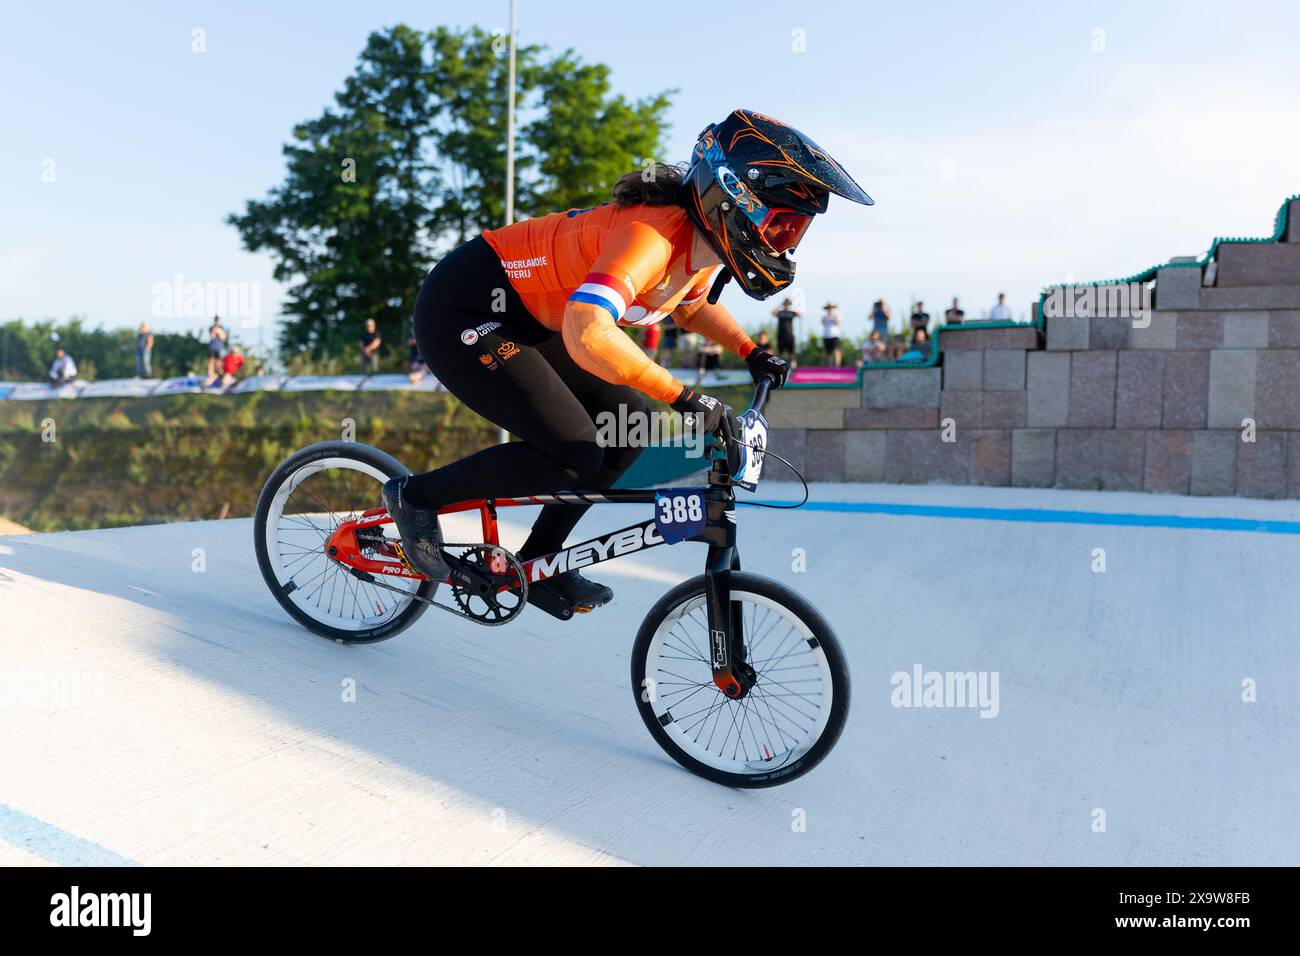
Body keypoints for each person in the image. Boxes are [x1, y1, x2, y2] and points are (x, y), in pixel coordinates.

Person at [382, 108, 872, 612]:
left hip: (535, 318)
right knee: (575, 453)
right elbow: (588, 329)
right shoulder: (650, 237)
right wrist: (683, 397)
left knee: (627, 425)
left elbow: (691, 304)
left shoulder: (700, 243)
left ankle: (542, 562)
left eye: (797, 231)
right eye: (779, 224)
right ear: (733, 202)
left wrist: (751, 352)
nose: (786, 243)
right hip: (465, 307)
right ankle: (417, 496)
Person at [772, 297, 800, 367]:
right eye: (785, 304)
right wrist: (779, 305)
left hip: (790, 336)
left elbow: (798, 313)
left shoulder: (791, 313)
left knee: (792, 353)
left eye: (787, 304)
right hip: (781, 336)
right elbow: (773, 312)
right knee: (780, 353)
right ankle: (780, 367)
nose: (786, 305)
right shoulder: (780, 313)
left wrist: (792, 306)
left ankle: (793, 368)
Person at [820, 302, 842, 367]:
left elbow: (838, 323)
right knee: (828, 352)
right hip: (826, 336)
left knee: (836, 351)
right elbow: (823, 323)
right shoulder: (824, 316)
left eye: (831, 307)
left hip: (834, 335)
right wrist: (827, 316)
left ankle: (837, 366)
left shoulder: (837, 315)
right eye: (829, 308)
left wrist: (834, 317)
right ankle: (830, 366)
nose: (830, 309)